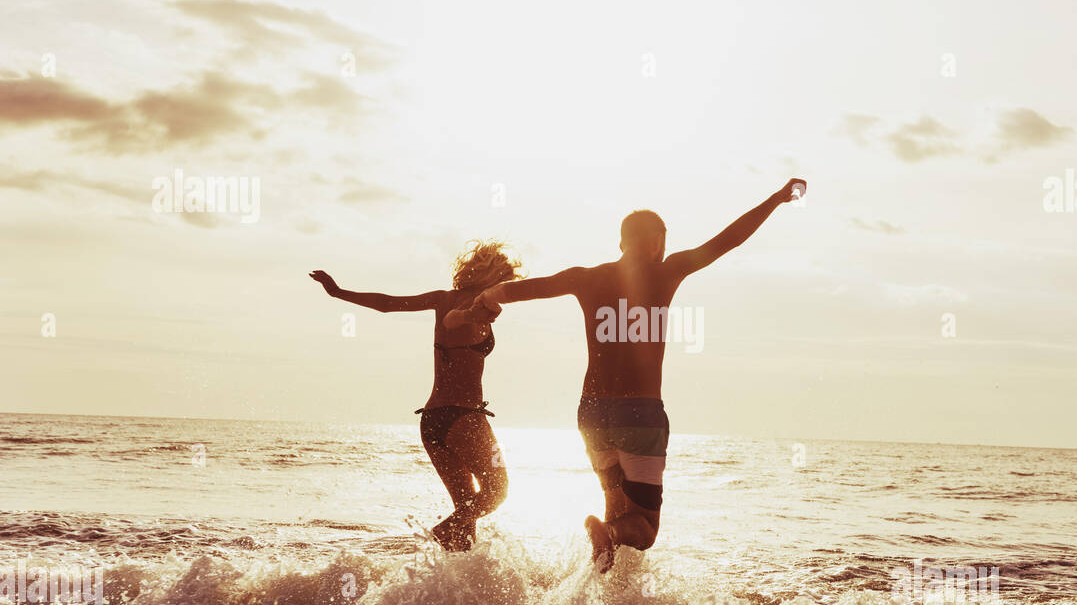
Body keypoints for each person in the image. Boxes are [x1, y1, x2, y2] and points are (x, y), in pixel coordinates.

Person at [448, 179, 806, 571]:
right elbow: (729, 240)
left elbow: (526, 290)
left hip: (592, 414)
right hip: (640, 414)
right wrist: (776, 198)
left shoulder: (585, 277)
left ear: (622, 244)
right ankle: (613, 538)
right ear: (656, 240)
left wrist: (480, 302)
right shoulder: (668, 272)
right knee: (644, 530)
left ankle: (607, 601)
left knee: (614, 512)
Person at [308, 241, 523, 550]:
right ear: (494, 278)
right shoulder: (478, 308)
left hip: (433, 421)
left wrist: (338, 292)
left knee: (465, 525)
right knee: (496, 492)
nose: (507, 288)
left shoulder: (441, 299)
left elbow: (387, 304)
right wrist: (473, 315)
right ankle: (437, 532)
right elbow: (454, 319)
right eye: (505, 280)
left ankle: (446, 594)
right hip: (465, 419)